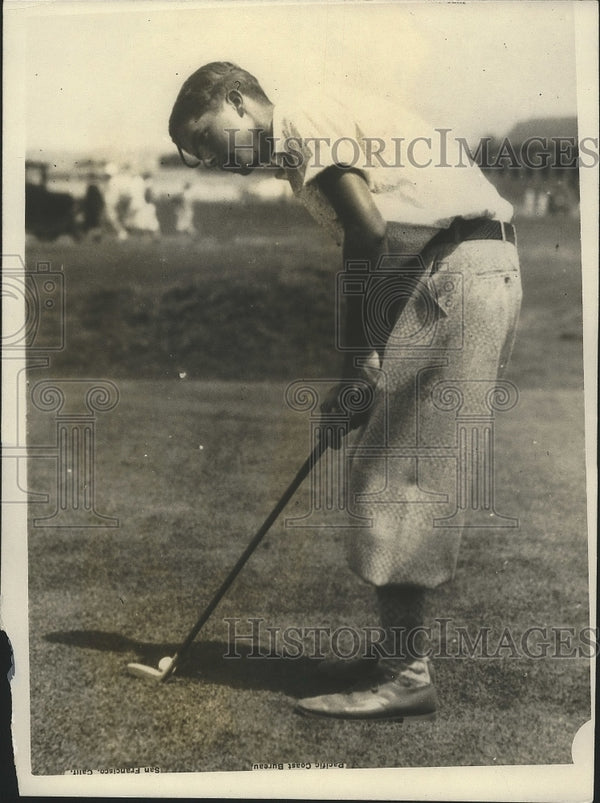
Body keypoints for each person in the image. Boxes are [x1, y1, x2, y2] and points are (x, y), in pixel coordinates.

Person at [168, 62, 522, 721]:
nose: (217, 161)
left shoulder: (304, 119)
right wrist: (369, 370)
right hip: (457, 272)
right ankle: (393, 657)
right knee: (391, 466)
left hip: (460, 273)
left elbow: (368, 232)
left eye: (211, 139)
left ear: (239, 101)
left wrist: (355, 357)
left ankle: (404, 676)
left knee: (396, 475)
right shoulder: (308, 133)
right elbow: (396, 246)